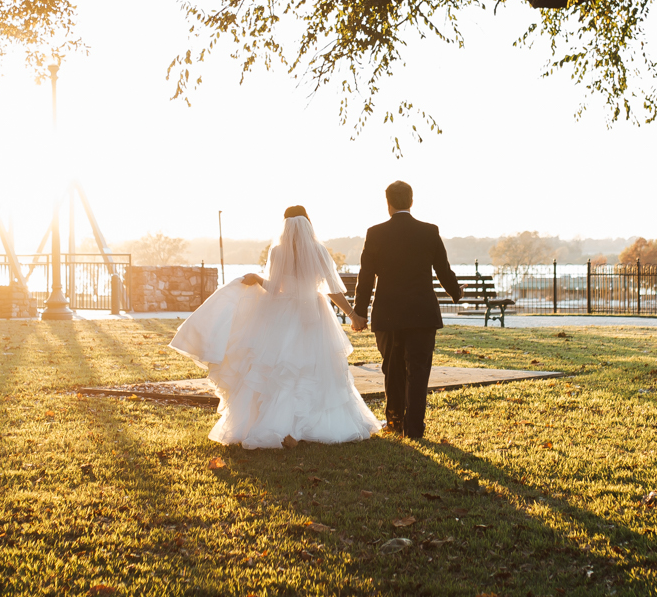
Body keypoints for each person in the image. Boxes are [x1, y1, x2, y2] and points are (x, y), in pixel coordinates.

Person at [168, 207, 380, 449]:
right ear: (308, 223)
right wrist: (352, 315)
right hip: (315, 313)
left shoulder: (278, 251)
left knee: (280, 368)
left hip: (284, 314)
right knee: (316, 366)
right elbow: (332, 289)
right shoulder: (318, 250)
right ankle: (318, 423)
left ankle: (275, 422)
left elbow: (273, 288)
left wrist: (257, 278)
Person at [352, 180, 461, 440]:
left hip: (388, 314)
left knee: (392, 369)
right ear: (411, 202)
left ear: (388, 203)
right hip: (422, 313)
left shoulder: (375, 233)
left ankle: (395, 421)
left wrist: (360, 312)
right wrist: (456, 292)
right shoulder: (429, 232)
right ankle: (414, 428)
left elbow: (366, 276)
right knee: (419, 371)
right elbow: (443, 270)